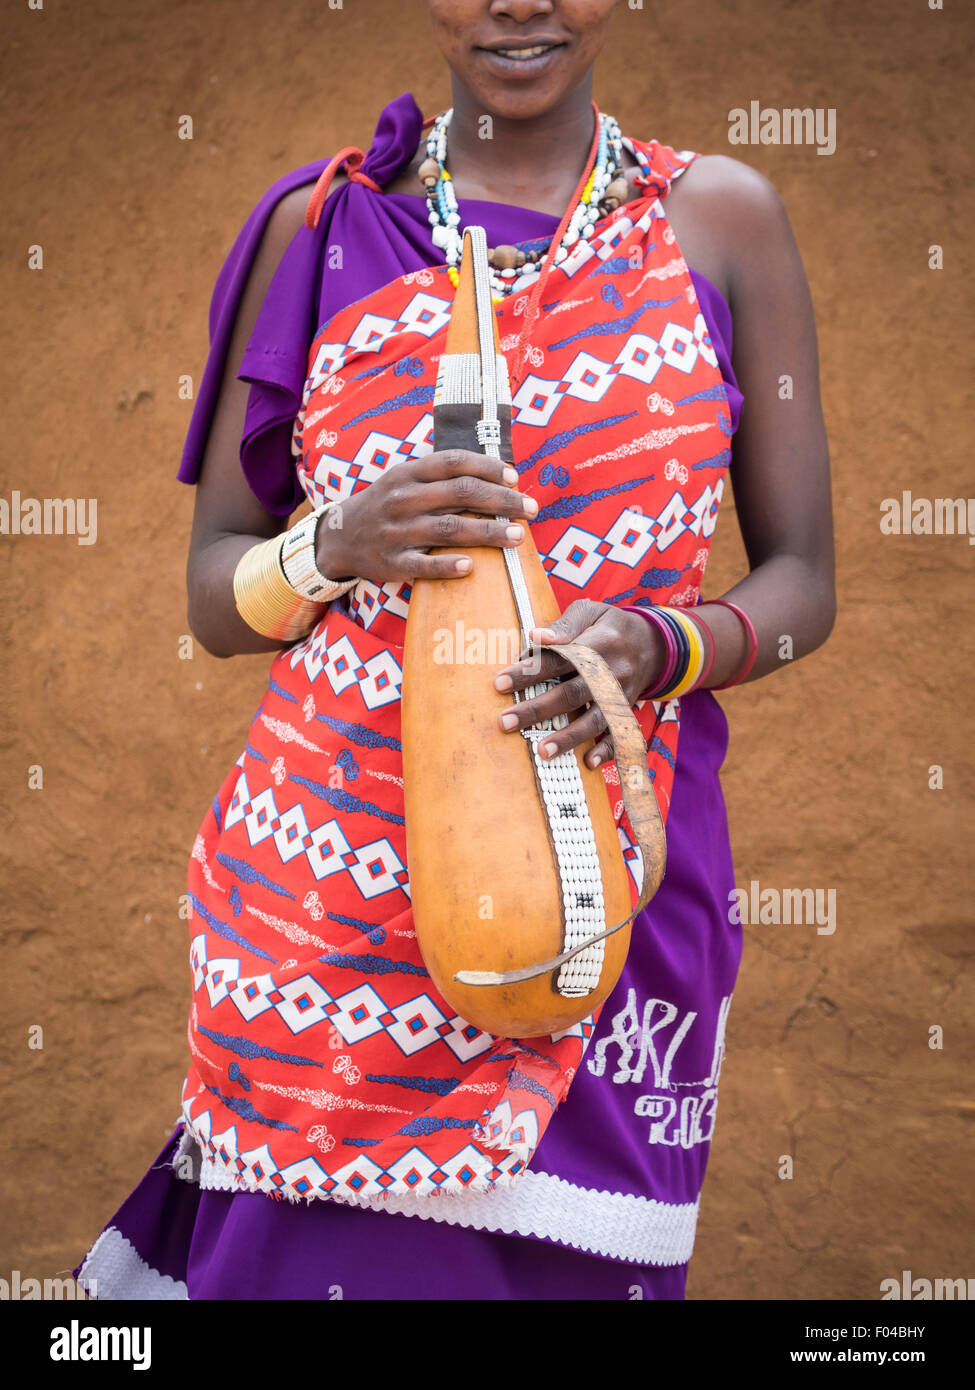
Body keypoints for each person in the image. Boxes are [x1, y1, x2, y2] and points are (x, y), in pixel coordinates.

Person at [75, 0, 834, 1301]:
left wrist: (663, 643)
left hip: (610, 912)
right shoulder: (316, 228)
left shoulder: (720, 224)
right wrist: (333, 544)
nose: (519, 1)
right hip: (334, 918)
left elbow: (803, 578)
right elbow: (214, 594)